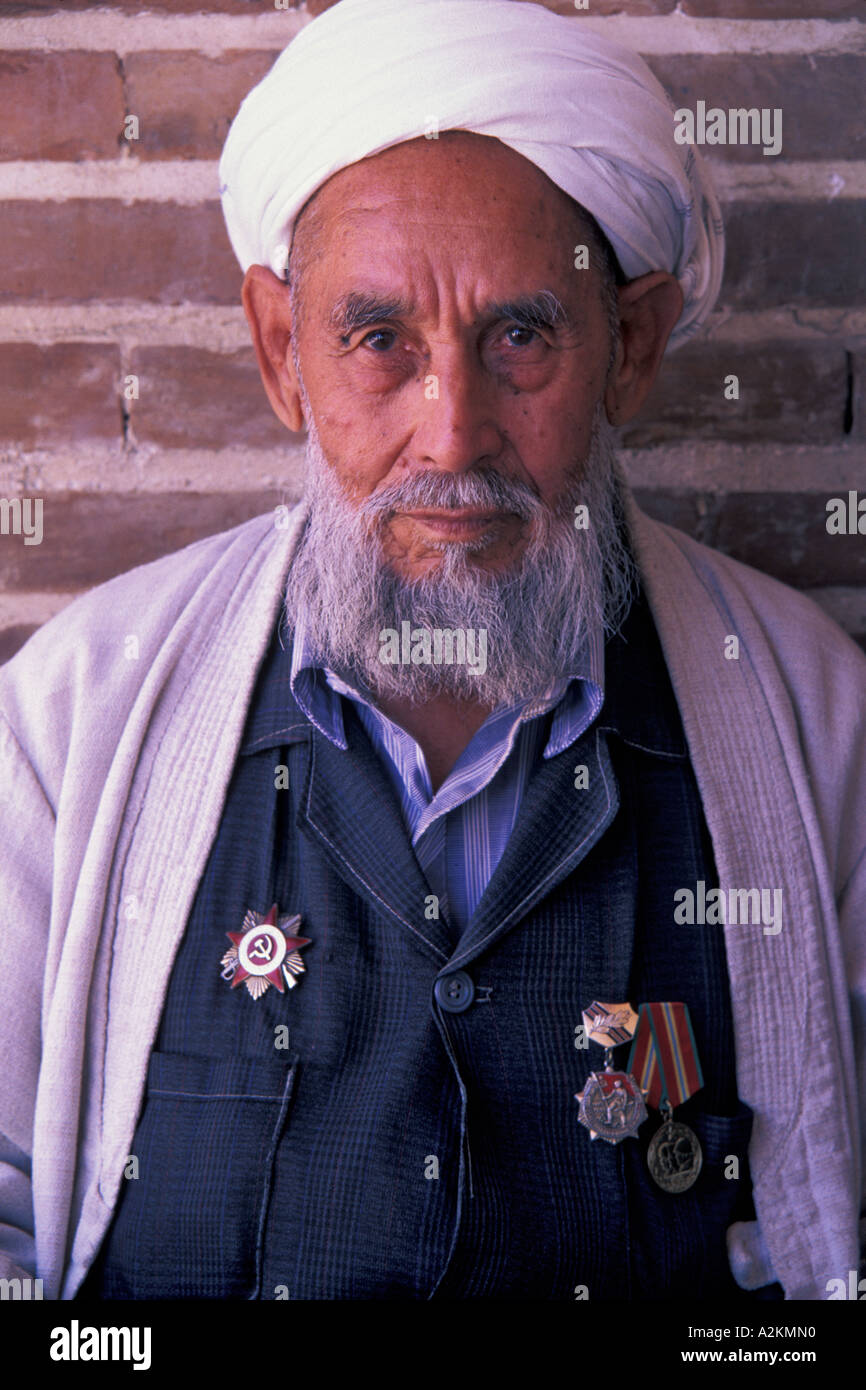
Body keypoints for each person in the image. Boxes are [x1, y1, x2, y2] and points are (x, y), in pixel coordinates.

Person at [1, 0, 863, 1303]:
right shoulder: (76, 716)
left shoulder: (814, 719)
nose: (449, 435)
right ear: (283, 352)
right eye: (377, 340)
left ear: (625, 346)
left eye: (518, 336)